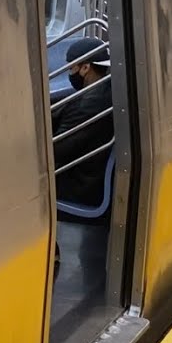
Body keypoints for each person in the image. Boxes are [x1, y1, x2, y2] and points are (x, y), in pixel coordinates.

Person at [52, 36, 115, 213]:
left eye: (71, 68)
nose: (70, 73)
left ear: (85, 67)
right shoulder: (106, 90)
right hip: (91, 178)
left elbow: (57, 151)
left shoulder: (87, 106)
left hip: (79, 188)